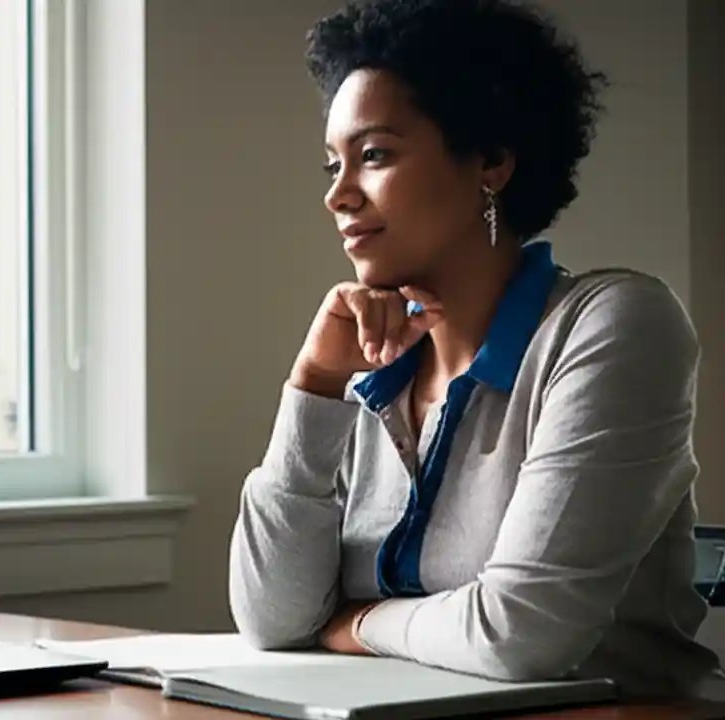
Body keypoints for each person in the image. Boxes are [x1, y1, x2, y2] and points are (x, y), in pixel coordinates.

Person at [227, 0, 722, 699]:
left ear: (490, 161)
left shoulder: (615, 324)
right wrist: (313, 386)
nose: (338, 195)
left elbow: (521, 633)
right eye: (332, 164)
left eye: (373, 156)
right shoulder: (371, 367)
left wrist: (358, 623)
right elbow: (272, 619)